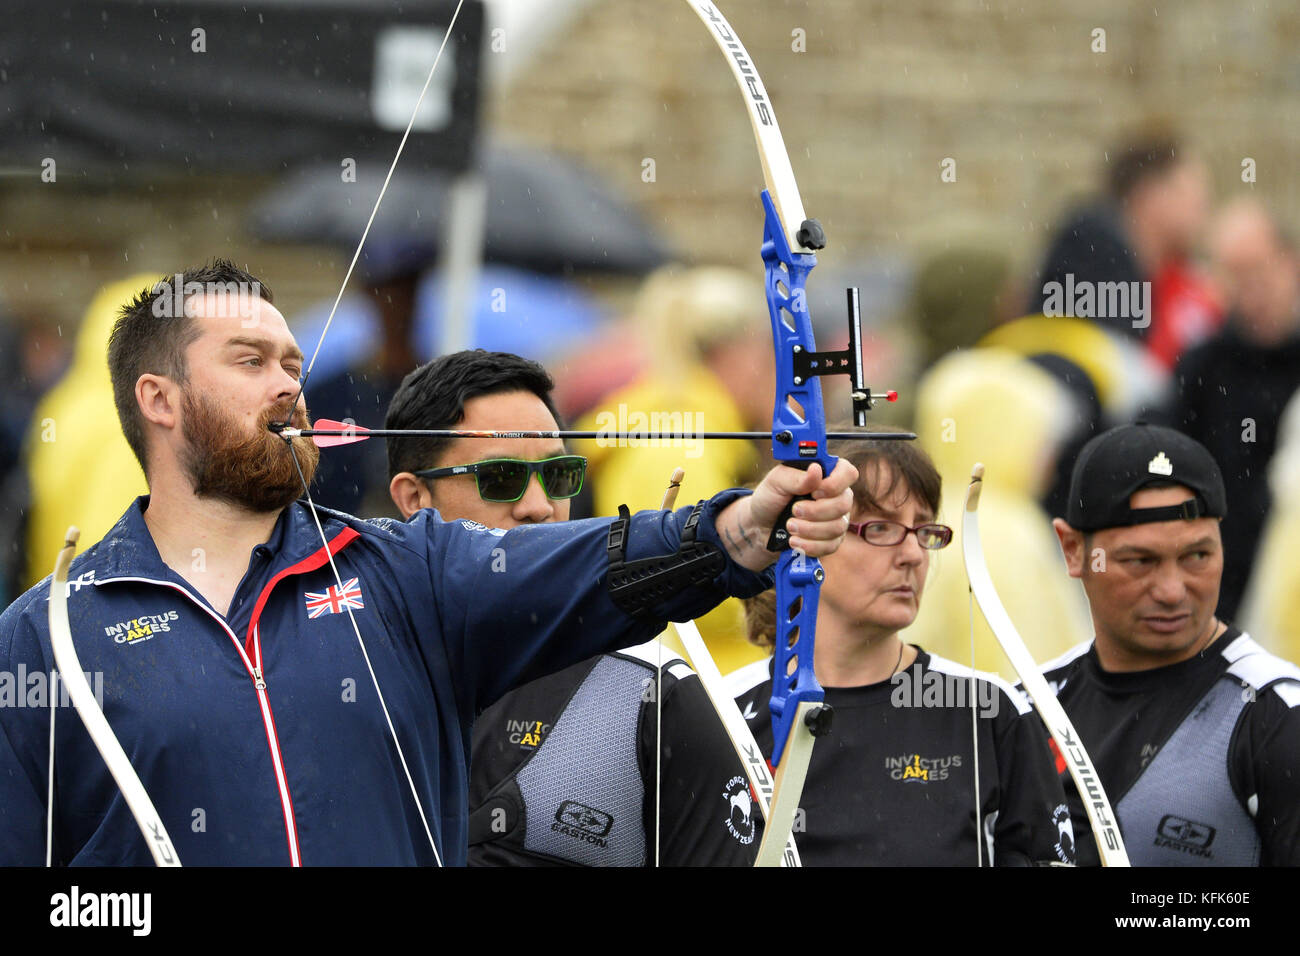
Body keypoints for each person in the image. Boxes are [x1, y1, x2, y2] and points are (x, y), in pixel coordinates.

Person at [0, 260, 858, 866]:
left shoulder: (398, 571)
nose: (288, 386)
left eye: (294, 363)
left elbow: (586, 564)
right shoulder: (49, 636)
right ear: (160, 400)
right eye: (250, 362)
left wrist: (741, 532)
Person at [384, 350, 759, 866]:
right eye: (501, 476)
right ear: (414, 498)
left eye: (559, 475)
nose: (539, 506)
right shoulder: (343, 654)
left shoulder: (654, 693)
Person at [729, 435, 1076, 866]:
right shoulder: (723, 715)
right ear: (805, 541)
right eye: (879, 528)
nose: (913, 553)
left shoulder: (987, 709)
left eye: (924, 529)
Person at [1043, 422, 1300, 866]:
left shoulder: (1275, 718)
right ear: (1073, 551)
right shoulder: (1031, 704)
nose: (1172, 590)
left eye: (1196, 556)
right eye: (1139, 560)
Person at [1162, 199, 1300, 620]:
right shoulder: (1202, 367)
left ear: (1290, 262)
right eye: (1233, 274)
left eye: (1258, 269)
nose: (1250, 288)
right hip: (1226, 593)